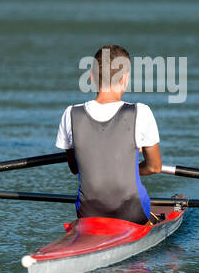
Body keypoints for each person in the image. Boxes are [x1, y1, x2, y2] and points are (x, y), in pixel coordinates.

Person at [55, 45, 162, 224]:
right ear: (125, 79)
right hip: (133, 213)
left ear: (91, 77)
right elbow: (154, 167)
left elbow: (75, 168)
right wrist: (127, 166)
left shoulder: (71, 113)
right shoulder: (141, 112)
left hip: (88, 212)